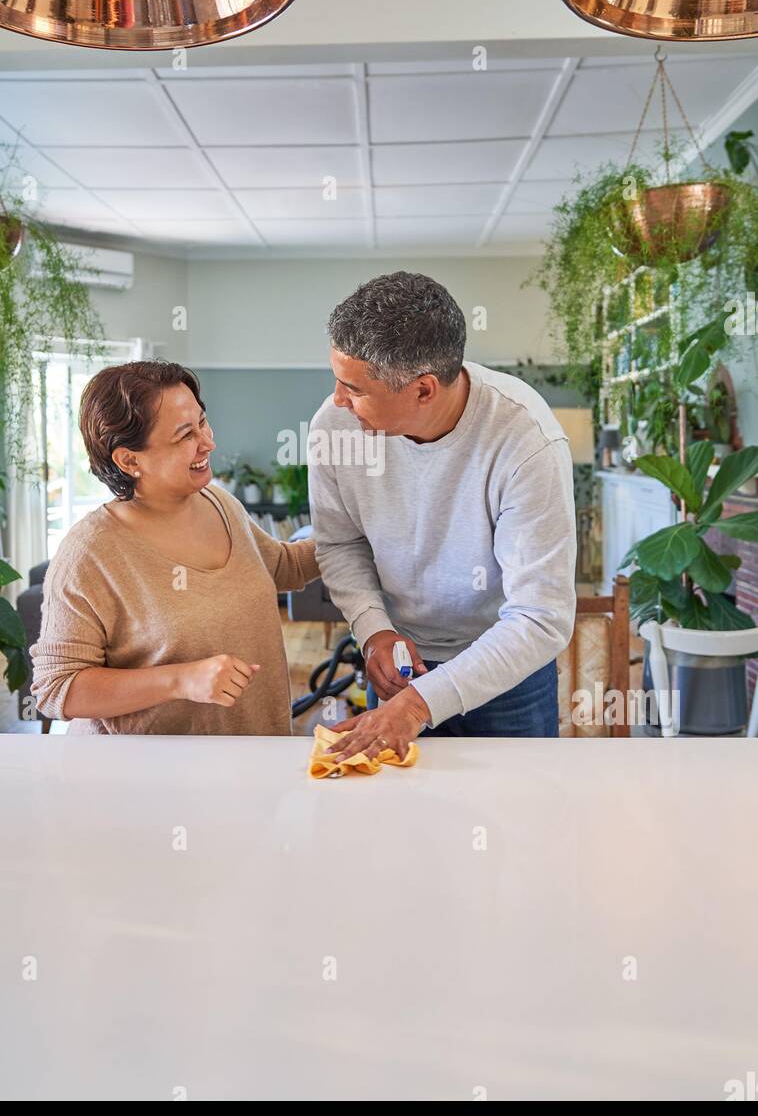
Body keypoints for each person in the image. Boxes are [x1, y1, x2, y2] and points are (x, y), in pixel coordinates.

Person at [308, 271, 576, 759]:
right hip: (398, 664)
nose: (337, 400)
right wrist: (373, 631)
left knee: (517, 822)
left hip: (505, 675)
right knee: (399, 824)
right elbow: (340, 543)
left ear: (424, 390)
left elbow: (540, 618)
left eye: (353, 387)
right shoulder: (335, 425)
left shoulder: (527, 441)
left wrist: (419, 706)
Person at [31, 360, 318, 734]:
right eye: (185, 435)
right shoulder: (90, 552)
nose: (208, 442)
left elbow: (282, 566)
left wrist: (369, 534)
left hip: (254, 759)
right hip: (150, 780)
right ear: (129, 459)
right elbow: (57, 689)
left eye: (202, 421)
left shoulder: (220, 502)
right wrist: (181, 680)